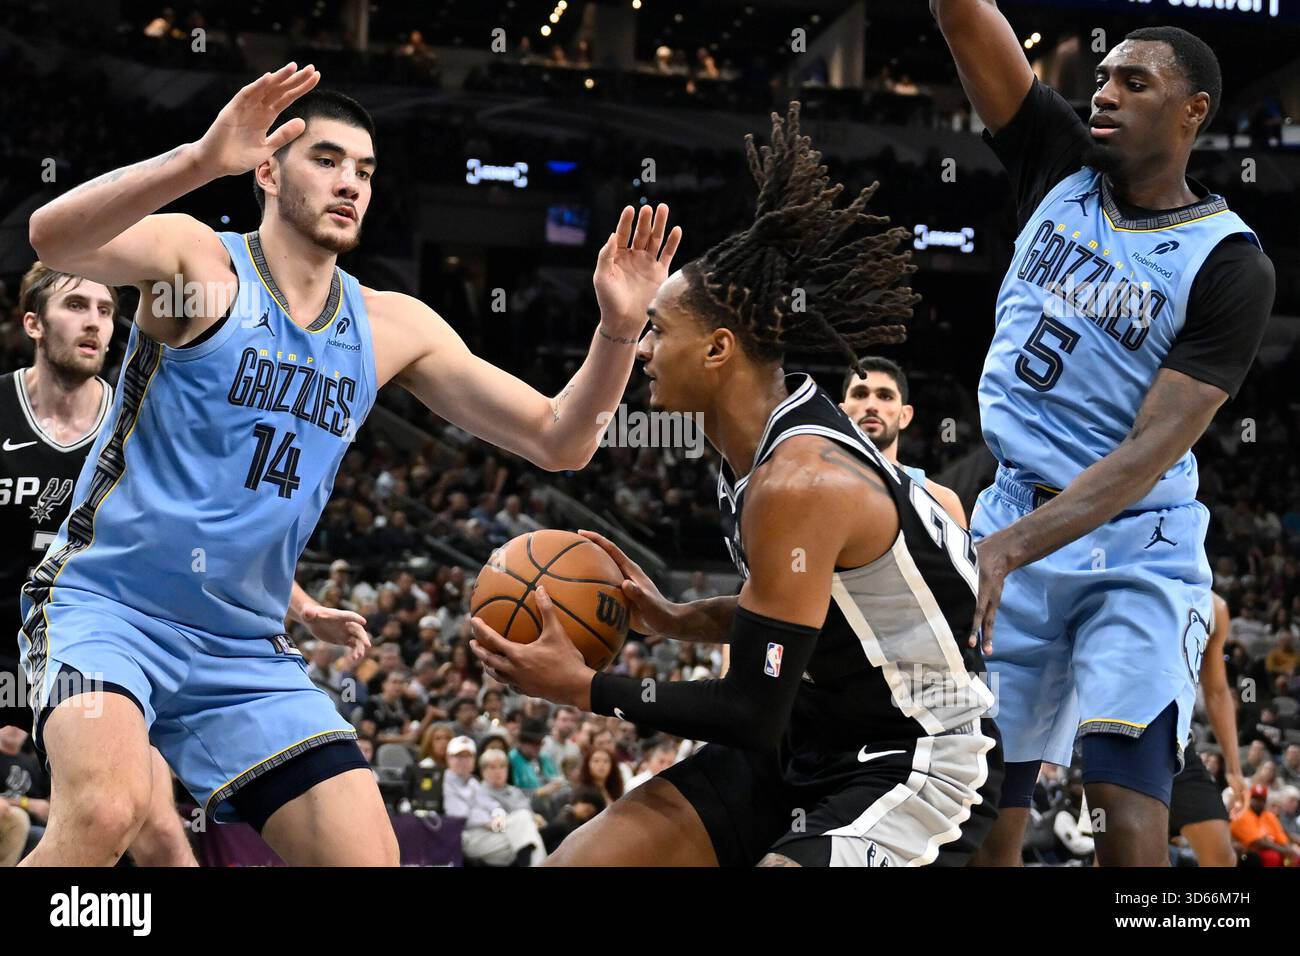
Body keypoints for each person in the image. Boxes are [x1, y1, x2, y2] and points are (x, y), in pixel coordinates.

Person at [21, 65, 678, 866]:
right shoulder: (201, 264)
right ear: (266, 169)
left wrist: (616, 329)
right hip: (112, 609)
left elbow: (559, 440)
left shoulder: (390, 325)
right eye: (326, 159)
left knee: (369, 858)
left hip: (242, 646)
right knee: (106, 816)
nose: (350, 184)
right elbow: (55, 239)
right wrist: (198, 160)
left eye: (365, 171)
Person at [471, 103, 1001, 867]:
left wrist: (588, 686)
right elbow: (802, 615)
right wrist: (678, 619)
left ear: (718, 348)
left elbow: (751, 709)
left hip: (910, 757)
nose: (644, 349)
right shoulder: (752, 443)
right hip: (802, 744)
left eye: (657, 329)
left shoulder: (799, 479)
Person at [933, 3, 1274, 866]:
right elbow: (962, 16)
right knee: (982, 810)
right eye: (1101, 78)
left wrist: (1007, 549)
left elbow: (1148, 453)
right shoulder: (1056, 161)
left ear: (1193, 110)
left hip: (1134, 540)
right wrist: (1008, 542)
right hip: (1013, 510)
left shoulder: (1231, 262)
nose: (1105, 94)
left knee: (1124, 802)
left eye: (1134, 81)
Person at [0, 263, 195, 867]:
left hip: (91, 641)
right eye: (76, 306)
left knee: (157, 830)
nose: (94, 323)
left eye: (106, 310)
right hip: (4, 641)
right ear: (33, 323)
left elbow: (198, 528)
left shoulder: (137, 421)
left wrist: (295, 602)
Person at [840, 356, 965, 527]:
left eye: (885, 396)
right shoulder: (810, 490)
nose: (871, 405)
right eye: (860, 394)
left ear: (905, 416)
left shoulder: (942, 502)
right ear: (841, 412)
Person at [1168, 593, 1243, 866]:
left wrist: (1234, 769)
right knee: (1119, 858)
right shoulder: (1129, 574)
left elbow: (1217, 692)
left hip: (1177, 745)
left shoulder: (1215, 606)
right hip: (1122, 739)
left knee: (1222, 858)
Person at [443, 735, 545, 866]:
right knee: (526, 832)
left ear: (474, 760)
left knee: (526, 837)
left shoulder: (472, 782)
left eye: (468, 756)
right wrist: (488, 822)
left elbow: (493, 806)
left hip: (489, 834)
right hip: (467, 837)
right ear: (449, 758)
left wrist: (497, 819)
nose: (464, 761)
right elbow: (459, 817)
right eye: (459, 756)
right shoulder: (446, 782)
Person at [1230, 784, 1299, 867]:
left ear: (1265, 801)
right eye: (1255, 799)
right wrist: (1284, 850)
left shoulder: (1269, 816)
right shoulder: (1243, 815)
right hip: (1245, 854)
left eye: (1261, 799)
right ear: (1250, 799)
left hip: (1268, 850)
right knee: (1271, 857)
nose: (1258, 802)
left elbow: (1282, 838)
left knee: (1294, 857)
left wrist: (1289, 850)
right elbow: (1257, 842)